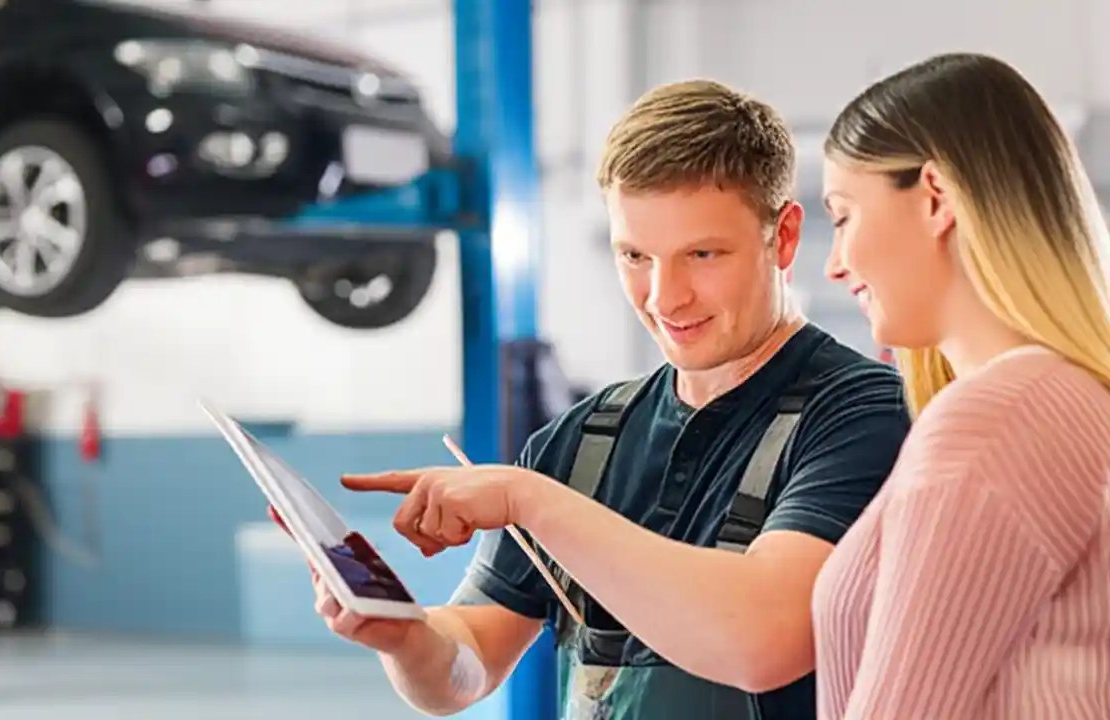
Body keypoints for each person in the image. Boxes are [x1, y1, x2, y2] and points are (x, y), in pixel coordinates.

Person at [310, 79, 913, 720]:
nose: (663, 296)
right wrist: (403, 637)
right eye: (635, 256)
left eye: (702, 254)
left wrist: (531, 500)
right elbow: (462, 672)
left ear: (783, 237)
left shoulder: (863, 415)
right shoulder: (582, 441)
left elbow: (762, 639)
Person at [809, 52, 1110, 719]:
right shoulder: (1076, 402)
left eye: (844, 216)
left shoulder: (994, 421)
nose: (834, 265)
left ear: (936, 198)